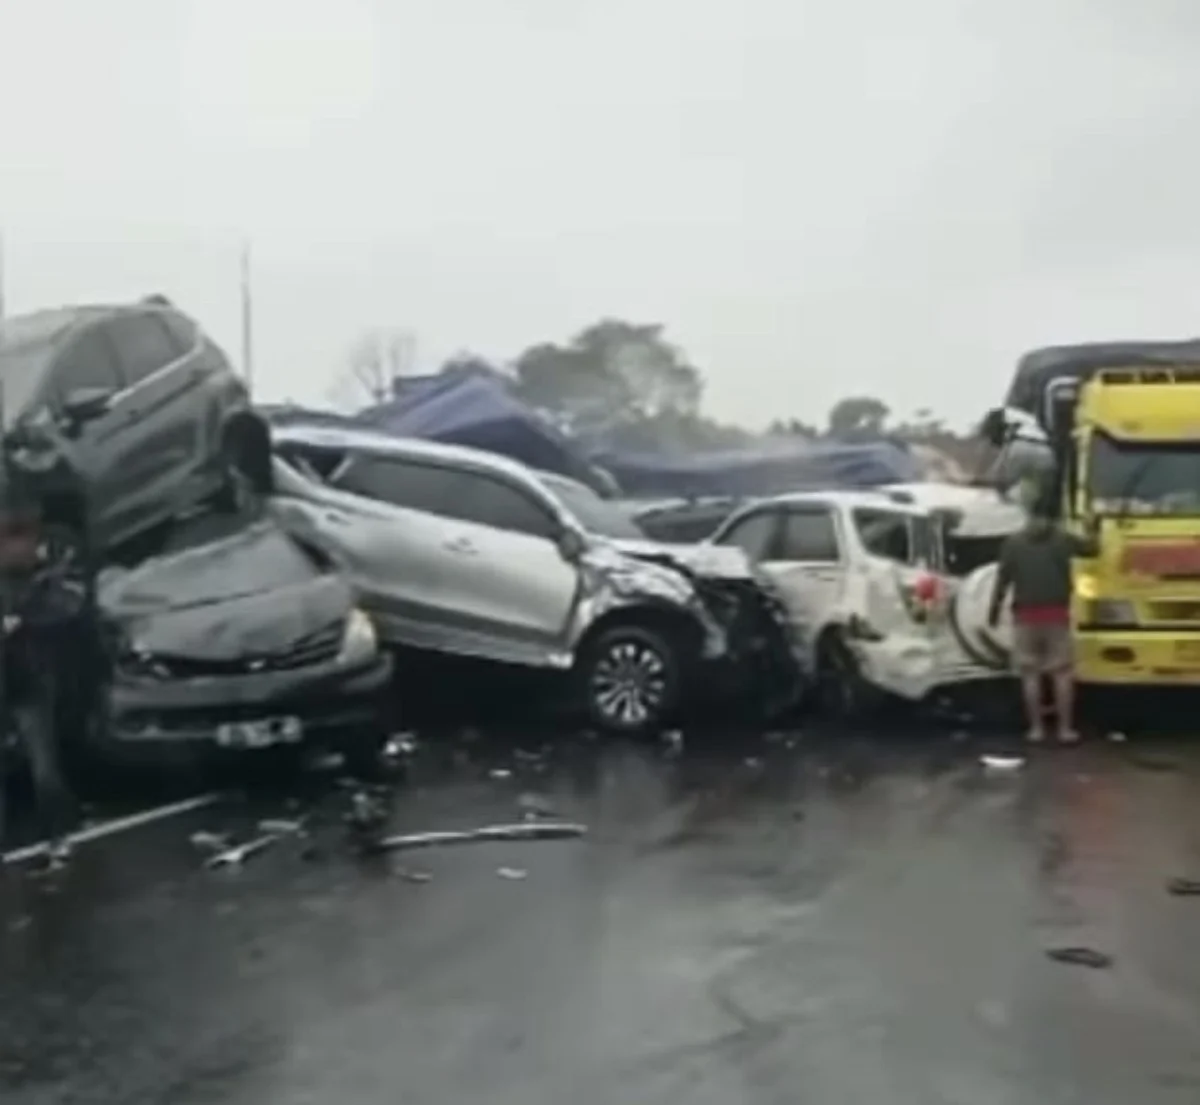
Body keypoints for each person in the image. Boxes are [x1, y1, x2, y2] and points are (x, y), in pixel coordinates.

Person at [0, 497, 82, 866]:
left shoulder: (42, 582)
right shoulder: (35, 580)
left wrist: (22, 623)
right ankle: (56, 835)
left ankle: (59, 833)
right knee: (40, 765)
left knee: (43, 766)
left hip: (28, 681)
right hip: (24, 680)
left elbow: (62, 613)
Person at [988, 501, 1097, 744]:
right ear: (1052, 517)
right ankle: (1065, 730)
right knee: (1062, 673)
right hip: (1057, 615)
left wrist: (993, 612)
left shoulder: (1013, 543)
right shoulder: (1063, 539)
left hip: (1025, 616)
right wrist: (1092, 528)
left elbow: (1002, 580)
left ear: (1027, 516)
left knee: (1030, 675)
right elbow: (1092, 549)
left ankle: (1036, 730)